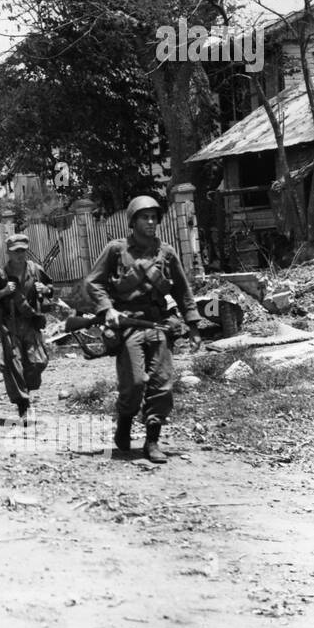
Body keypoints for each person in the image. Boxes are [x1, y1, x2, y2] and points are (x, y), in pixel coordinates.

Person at [84, 195, 201, 463]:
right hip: (127, 325)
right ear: (133, 221)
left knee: (162, 384)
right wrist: (107, 309)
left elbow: (183, 291)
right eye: (144, 217)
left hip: (158, 324)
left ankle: (152, 441)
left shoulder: (167, 253)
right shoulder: (117, 250)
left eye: (153, 217)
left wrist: (194, 326)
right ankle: (124, 421)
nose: (150, 222)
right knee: (135, 383)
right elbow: (93, 283)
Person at [0, 234, 53, 420]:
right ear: (8, 253)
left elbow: (50, 287)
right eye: (15, 251)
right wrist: (3, 292)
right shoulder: (0, 274)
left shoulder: (35, 269)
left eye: (22, 251)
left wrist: (45, 289)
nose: (19, 255)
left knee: (38, 362)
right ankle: (23, 405)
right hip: (9, 325)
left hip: (30, 323)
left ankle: (26, 389)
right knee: (12, 365)